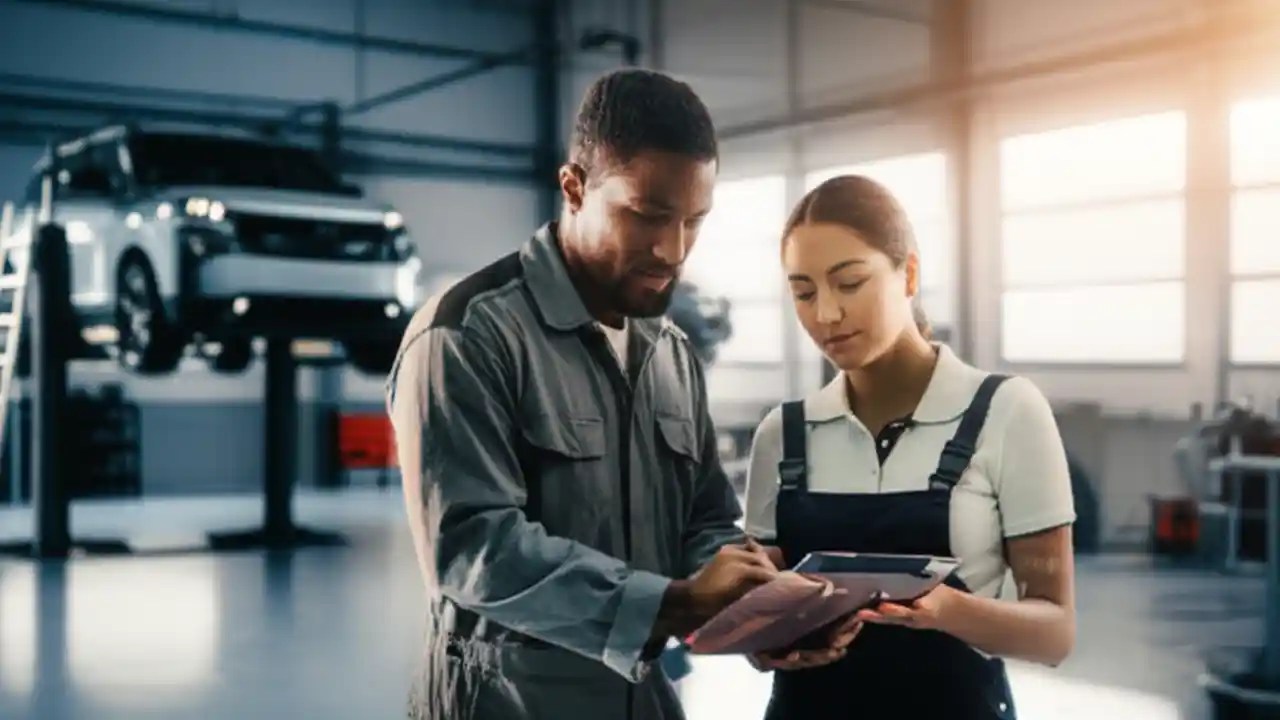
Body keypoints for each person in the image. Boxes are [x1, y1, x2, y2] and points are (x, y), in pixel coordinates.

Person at [386, 68, 776, 720]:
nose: (672, 249)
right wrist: (674, 604)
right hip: (508, 703)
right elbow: (476, 547)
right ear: (573, 187)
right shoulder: (466, 334)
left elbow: (705, 520)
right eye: (648, 216)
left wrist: (756, 611)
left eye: (693, 221)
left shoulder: (671, 351)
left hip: (643, 698)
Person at [743, 175, 1077, 719]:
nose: (825, 314)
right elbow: (761, 625)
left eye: (849, 283)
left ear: (910, 273)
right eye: (803, 292)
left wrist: (944, 610)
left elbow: (1055, 634)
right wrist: (763, 642)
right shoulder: (781, 435)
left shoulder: (1007, 413)